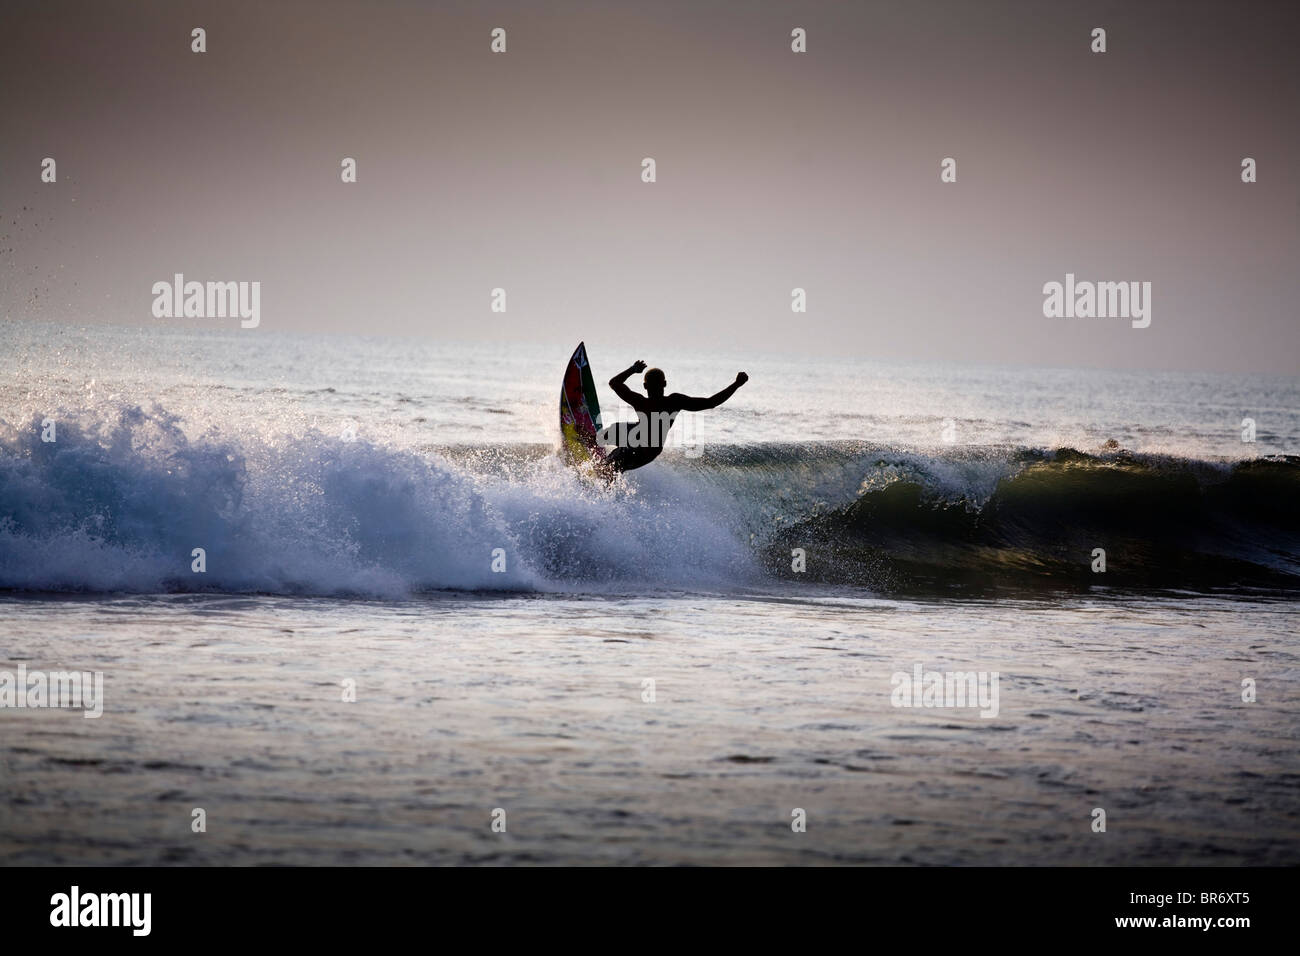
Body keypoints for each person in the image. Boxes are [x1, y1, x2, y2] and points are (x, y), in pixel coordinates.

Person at [599, 360, 748, 474]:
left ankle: (595, 450)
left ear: (645, 387)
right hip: (648, 450)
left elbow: (614, 383)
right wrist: (736, 384)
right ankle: (600, 456)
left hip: (640, 451)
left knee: (615, 457)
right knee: (620, 435)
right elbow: (711, 402)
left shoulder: (641, 402)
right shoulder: (674, 402)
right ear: (665, 384)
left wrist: (632, 370)